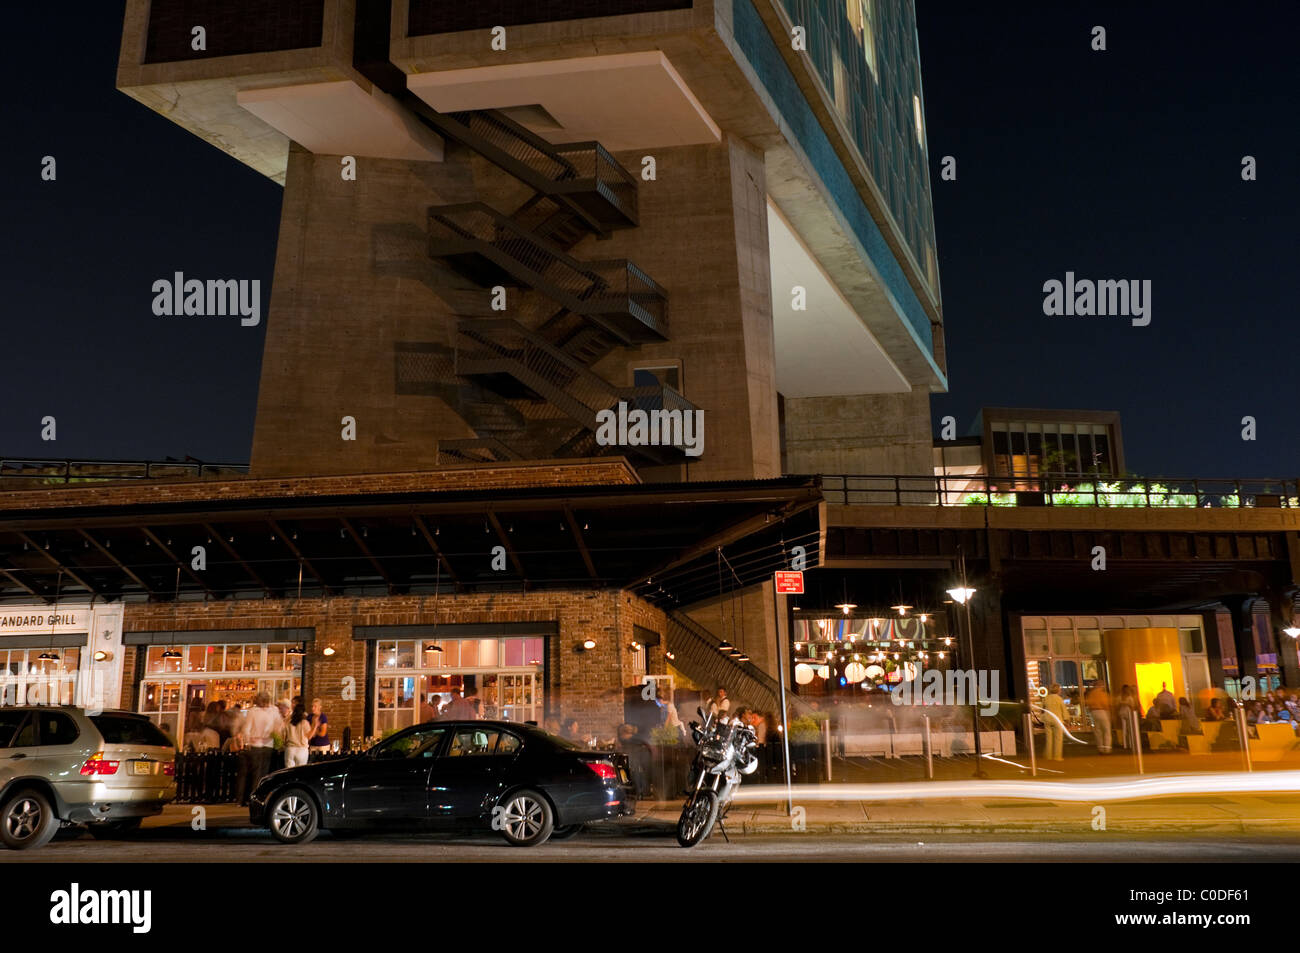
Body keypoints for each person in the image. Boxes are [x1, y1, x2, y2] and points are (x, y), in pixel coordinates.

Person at [236, 693, 283, 805]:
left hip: (255, 744)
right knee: (264, 773)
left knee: (256, 774)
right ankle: (261, 798)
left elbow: (247, 728)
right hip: (268, 744)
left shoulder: (253, 711)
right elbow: (279, 726)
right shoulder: (274, 711)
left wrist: (247, 741)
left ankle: (253, 798)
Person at [1084, 680, 1112, 754]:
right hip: (1102, 711)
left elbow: (1088, 703)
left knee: (1098, 731)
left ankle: (1100, 748)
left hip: (1093, 712)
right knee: (1106, 730)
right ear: (1100, 685)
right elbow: (1106, 704)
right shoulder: (1103, 694)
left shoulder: (1091, 694)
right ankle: (1107, 748)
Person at [1042, 684, 1068, 761]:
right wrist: (1066, 719)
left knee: (1049, 739)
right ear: (1058, 690)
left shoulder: (1046, 698)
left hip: (1047, 719)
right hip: (1057, 720)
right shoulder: (1059, 699)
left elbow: (1042, 708)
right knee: (1058, 738)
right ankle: (1057, 756)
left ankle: (1048, 756)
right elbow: (1064, 710)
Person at [284, 702, 313, 767]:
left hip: (290, 749)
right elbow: (309, 736)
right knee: (300, 773)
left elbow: (284, 736)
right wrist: (315, 726)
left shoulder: (288, 722)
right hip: (302, 750)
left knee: (289, 773)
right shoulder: (305, 723)